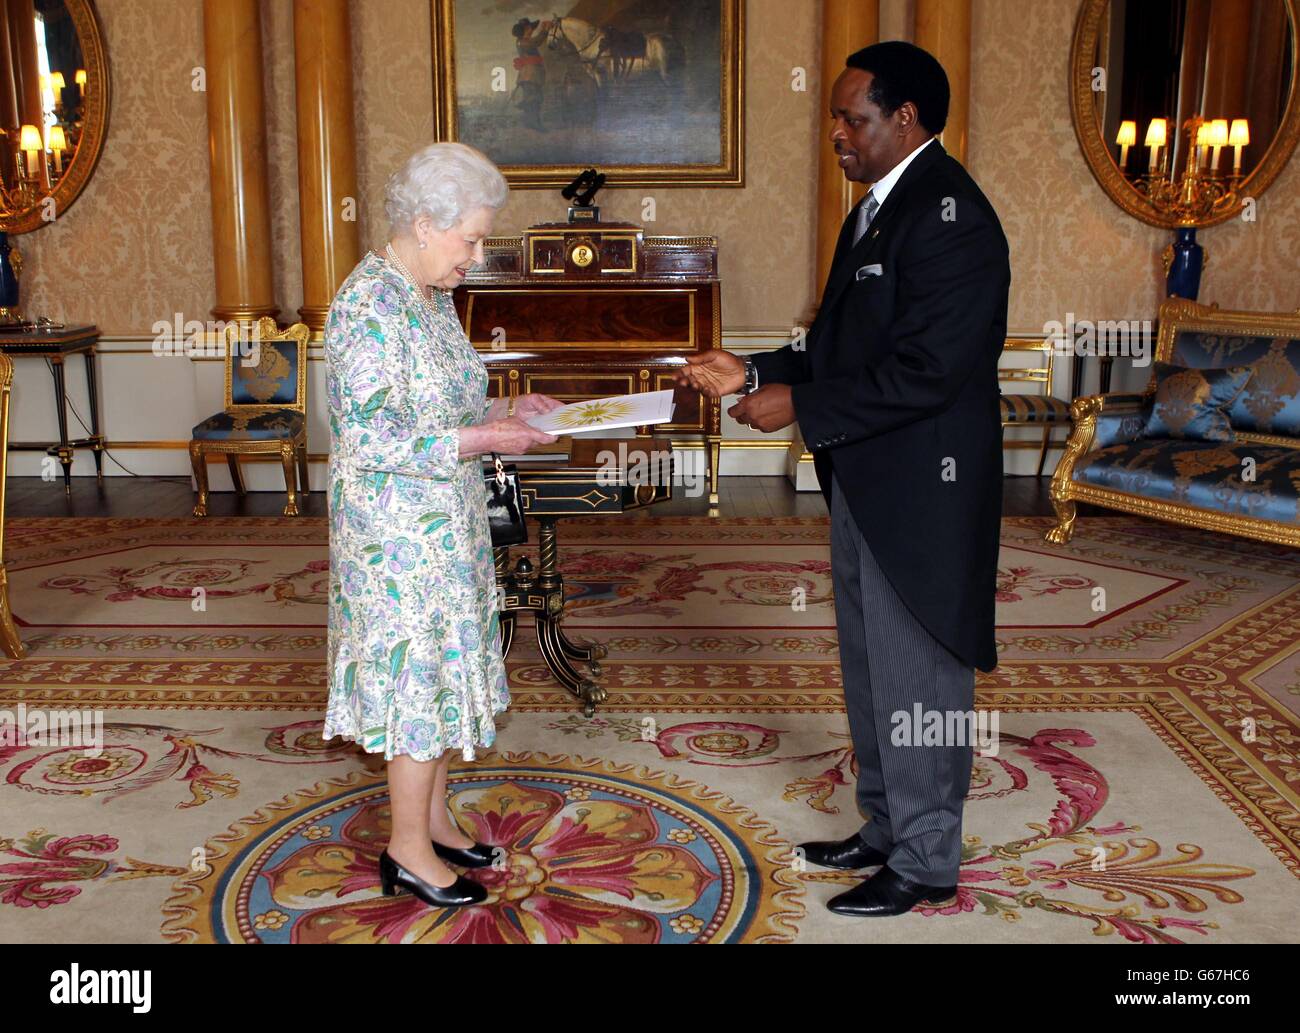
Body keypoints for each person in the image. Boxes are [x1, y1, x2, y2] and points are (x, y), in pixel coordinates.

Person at [675, 41, 1009, 917]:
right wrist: (750, 372)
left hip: (925, 493)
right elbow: (837, 351)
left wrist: (799, 407)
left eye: (851, 117)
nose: (835, 133)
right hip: (866, 478)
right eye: (835, 116)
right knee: (870, 669)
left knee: (922, 677)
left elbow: (929, 371)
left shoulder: (952, 218)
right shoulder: (872, 213)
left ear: (905, 119)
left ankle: (929, 857)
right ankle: (885, 826)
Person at [322, 142, 561, 910]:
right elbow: (371, 438)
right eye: (471, 239)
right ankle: (407, 848)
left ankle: (435, 823)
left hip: (444, 522)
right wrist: (488, 441)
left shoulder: (429, 295)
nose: (477, 255)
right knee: (413, 676)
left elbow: (447, 406)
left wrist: (505, 412)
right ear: (425, 224)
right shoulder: (369, 303)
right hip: (393, 535)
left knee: (440, 663)